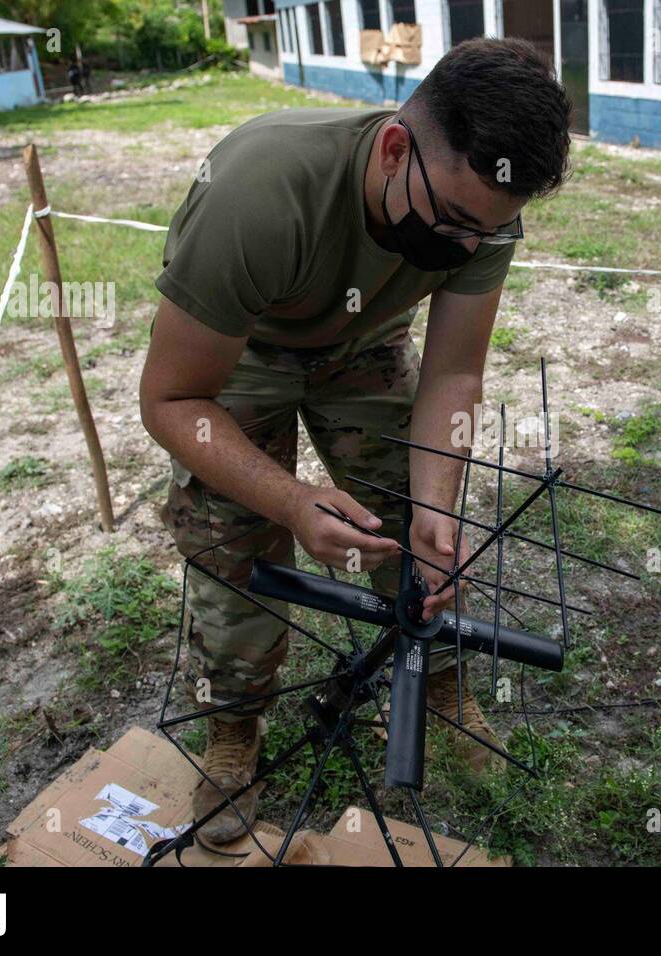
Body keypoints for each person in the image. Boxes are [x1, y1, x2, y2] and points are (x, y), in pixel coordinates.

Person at [139, 38, 571, 846]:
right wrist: (288, 499)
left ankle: (441, 684)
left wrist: (436, 509)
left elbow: (453, 378)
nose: (469, 249)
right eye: (454, 225)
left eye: (491, 232)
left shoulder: (482, 210)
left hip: (364, 346)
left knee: (411, 521)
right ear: (396, 148)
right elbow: (171, 399)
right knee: (233, 542)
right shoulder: (258, 189)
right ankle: (235, 730)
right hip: (242, 354)